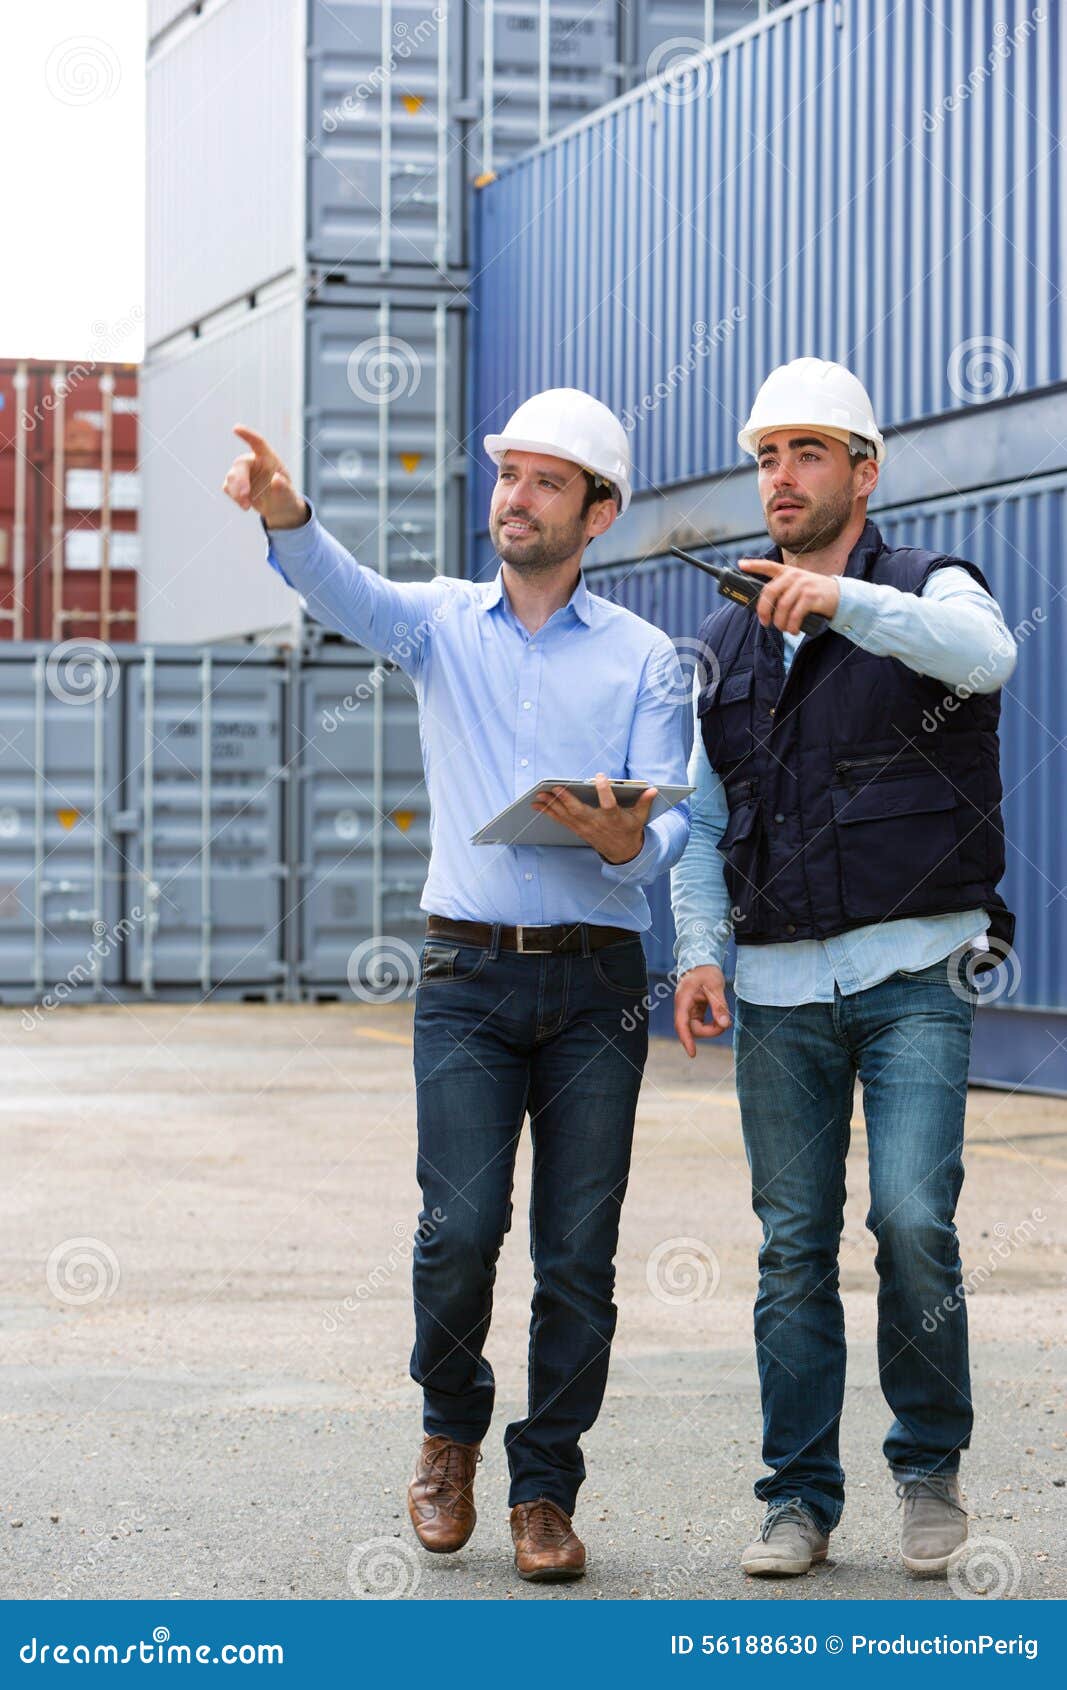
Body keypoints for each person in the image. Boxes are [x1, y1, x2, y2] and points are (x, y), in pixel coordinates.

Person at [222, 388, 690, 1581]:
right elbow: (346, 594)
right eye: (505, 477)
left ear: (598, 511)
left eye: (542, 481)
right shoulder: (438, 625)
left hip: (598, 987)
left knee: (577, 1254)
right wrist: (289, 517)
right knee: (458, 1232)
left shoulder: (644, 656)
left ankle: (545, 1490)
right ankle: (448, 1433)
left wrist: (625, 838)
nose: (512, 499)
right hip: (467, 978)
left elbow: (670, 817)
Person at [670, 357, 1017, 1580]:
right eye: (766, 455)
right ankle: (796, 1499)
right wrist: (700, 952)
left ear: (863, 471)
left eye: (807, 452)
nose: (780, 476)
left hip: (915, 974)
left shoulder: (927, 586)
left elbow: (985, 660)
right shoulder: (717, 639)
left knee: (913, 1219)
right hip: (773, 997)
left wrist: (837, 605)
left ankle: (927, 1468)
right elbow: (701, 824)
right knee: (788, 1247)